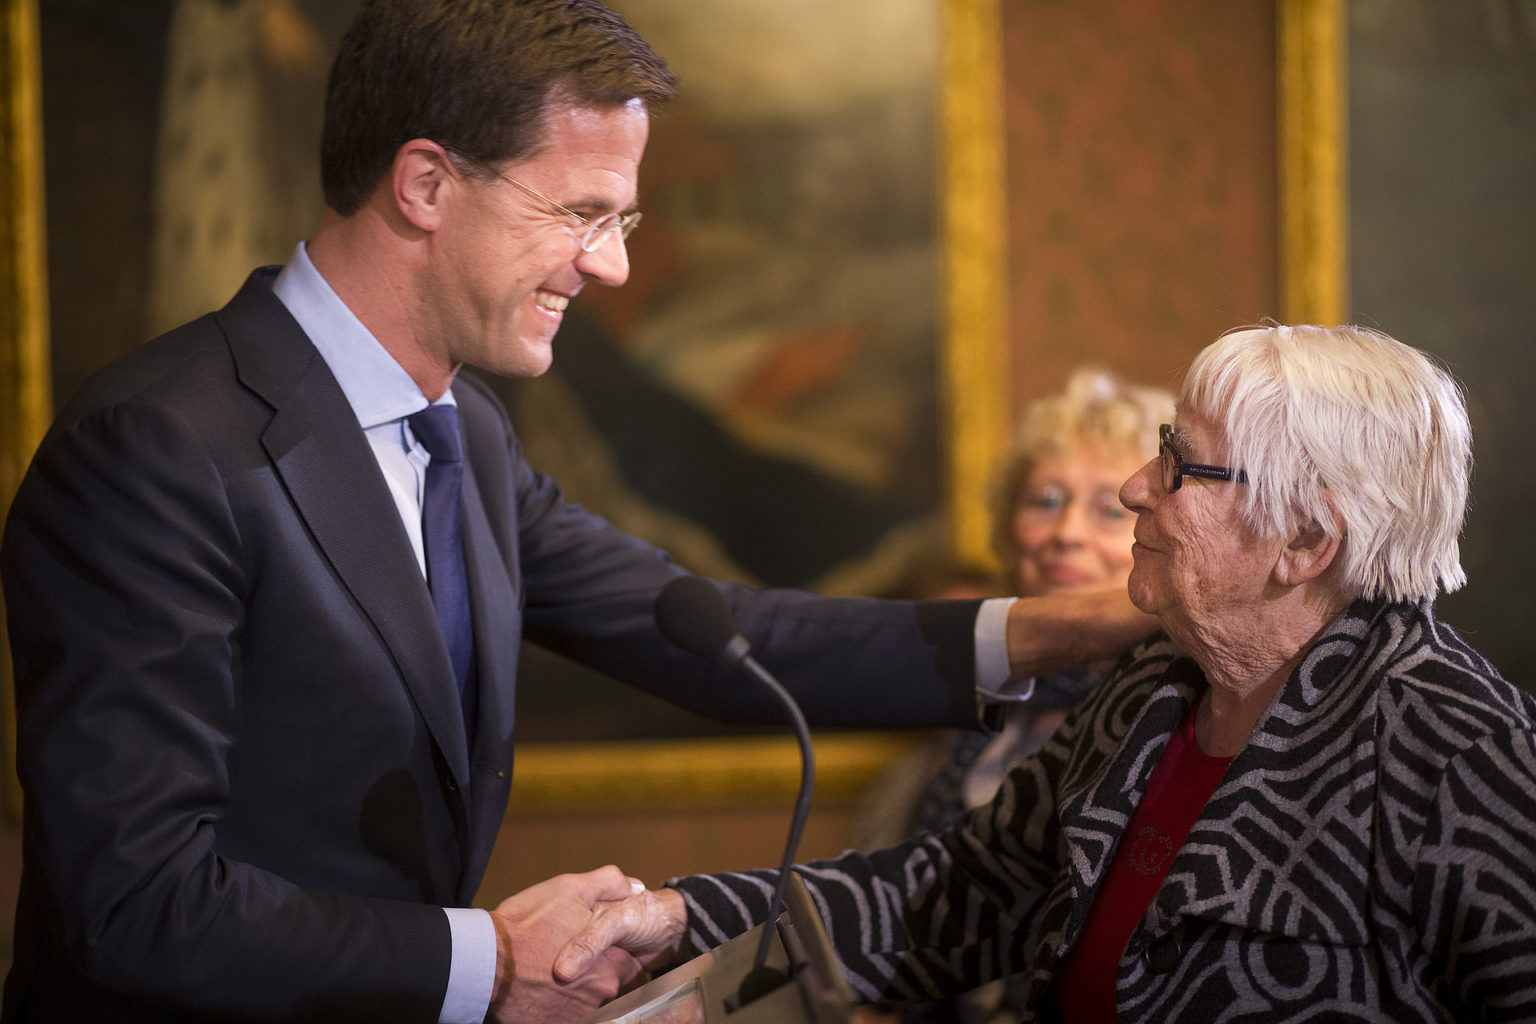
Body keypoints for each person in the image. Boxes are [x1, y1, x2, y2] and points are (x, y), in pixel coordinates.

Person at [0, 2, 1155, 1022]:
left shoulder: (470, 432)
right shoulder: (158, 445)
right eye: (582, 213)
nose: (610, 268)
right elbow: (135, 901)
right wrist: (491, 962)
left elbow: (711, 632)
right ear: (426, 185)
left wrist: (1070, 627)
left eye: (624, 223)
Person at [569, 324, 1536, 1021]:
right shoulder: (1154, 689)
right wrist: (685, 915)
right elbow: (957, 895)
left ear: (1305, 540)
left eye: (1181, 465)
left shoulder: (1461, 749)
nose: (1135, 488)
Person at [862, 368, 1173, 1024]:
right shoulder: (985, 707)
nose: (1067, 532)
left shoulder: (1179, 708)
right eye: (1045, 500)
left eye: (1109, 509)